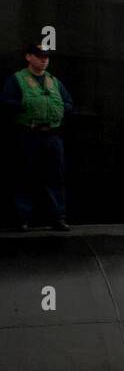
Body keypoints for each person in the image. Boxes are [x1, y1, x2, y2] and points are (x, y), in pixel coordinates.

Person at [2, 44, 73, 231]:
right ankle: (22, 219)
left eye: (47, 57)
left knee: (55, 178)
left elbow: (68, 102)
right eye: (40, 56)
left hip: (52, 136)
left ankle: (58, 218)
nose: (44, 60)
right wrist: (25, 105)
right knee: (25, 176)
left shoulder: (54, 81)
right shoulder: (17, 79)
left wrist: (60, 109)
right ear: (28, 57)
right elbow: (6, 101)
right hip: (29, 134)